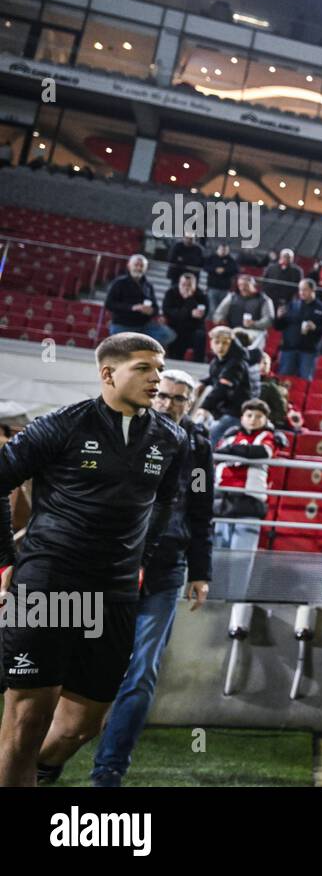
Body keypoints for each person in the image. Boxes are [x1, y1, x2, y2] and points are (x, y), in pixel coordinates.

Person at [0, 333, 184, 787]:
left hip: (115, 594)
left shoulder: (172, 439)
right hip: (50, 587)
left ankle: (36, 777)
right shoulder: (61, 425)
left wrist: (143, 555)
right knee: (27, 724)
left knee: (82, 726)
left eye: (159, 368)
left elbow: (163, 504)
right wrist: (5, 561)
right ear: (108, 373)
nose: (156, 379)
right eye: (144, 368)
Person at [89, 369, 212, 787]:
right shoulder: (121, 430)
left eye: (179, 399)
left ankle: (109, 768)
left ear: (190, 403)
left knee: (142, 671)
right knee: (84, 660)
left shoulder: (198, 445)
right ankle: (52, 744)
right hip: (110, 565)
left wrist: (200, 571)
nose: (169, 404)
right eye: (163, 396)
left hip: (165, 568)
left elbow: (200, 509)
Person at [211, 399, 278, 577]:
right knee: (218, 552)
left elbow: (262, 452)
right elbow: (217, 455)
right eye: (249, 415)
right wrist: (236, 450)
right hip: (222, 500)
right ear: (242, 417)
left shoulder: (268, 436)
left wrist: (232, 450)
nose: (253, 420)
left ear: (266, 419)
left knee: (242, 557)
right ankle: (213, 597)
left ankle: (235, 599)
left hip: (249, 502)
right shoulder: (230, 435)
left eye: (258, 416)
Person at [195, 326, 251, 448]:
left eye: (225, 343)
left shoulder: (236, 362)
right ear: (211, 343)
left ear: (231, 343)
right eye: (217, 342)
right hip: (223, 410)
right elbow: (214, 376)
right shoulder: (219, 360)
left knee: (210, 440)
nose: (220, 346)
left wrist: (205, 407)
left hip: (234, 412)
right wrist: (203, 382)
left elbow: (222, 387)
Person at [104, 254, 176, 347]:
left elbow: (155, 308)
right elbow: (109, 304)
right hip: (123, 324)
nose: (138, 268)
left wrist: (151, 311)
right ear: (129, 266)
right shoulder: (119, 283)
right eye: (136, 265)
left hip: (144, 325)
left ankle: (141, 346)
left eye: (141, 266)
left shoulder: (148, 286)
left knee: (168, 334)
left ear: (145, 268)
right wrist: (132, 308)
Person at [273, 279, 322, 380]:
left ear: (313, 290)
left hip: (309, 352)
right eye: (300, 290)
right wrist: (278, 317)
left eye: (305, 290)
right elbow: (278, 327)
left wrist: (315, 328)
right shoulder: (292, 305)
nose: (301, 292)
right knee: (283, 379)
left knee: (305, 381)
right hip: (289, 349)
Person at [213, 274, 274, 350]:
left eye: (246, 285)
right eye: (240, 285)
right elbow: (218, 314)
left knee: (239, 337)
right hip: (233, 329)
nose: (242, 288)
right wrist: (220, 319)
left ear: (254, 285)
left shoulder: (264, 300)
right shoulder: (232, 297)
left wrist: (254, 324)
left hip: (255, 332)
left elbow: (268, 320)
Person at [162, 271, 208, 361]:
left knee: (200, 335)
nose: (186, 287)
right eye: (183, 284)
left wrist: (190, 299)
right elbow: (168, 312)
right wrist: (189, 313)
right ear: (179, 283)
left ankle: (198, 363)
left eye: (189, 285)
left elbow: (202, 315)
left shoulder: (201, 295)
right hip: (176, 327)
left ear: (195, 285)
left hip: (194, 328)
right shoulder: (171, 293)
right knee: (175, 336)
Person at [204, 240, 239, 310]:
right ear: (218, 249)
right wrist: (215, 270)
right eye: (221, 249)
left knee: (223, 308)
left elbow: (235, 270)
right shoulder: (212, 258)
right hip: (212, 287)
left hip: (225, 288)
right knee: (212, 308)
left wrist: (224, 270)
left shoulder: (231, 260)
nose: (223, 251)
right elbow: (205, 267)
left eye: (225, 250)